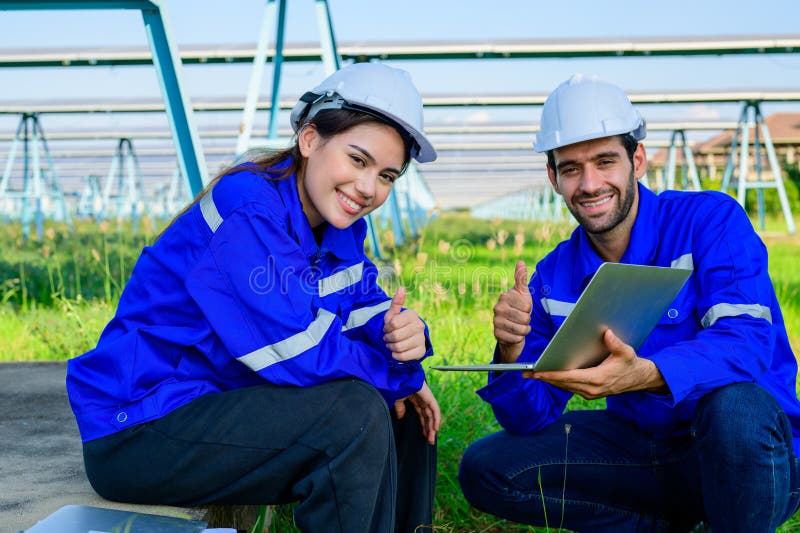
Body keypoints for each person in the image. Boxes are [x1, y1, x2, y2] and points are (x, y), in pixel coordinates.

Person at [67, 62, 441, 533]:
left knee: (403, 413)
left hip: (215, 400)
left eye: (387, 176)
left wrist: (405, 339)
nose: (369, 188)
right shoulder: (247, 207)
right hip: (141, 427)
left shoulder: (339, 229)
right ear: (310, 140)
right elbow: (299, 349)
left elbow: (366, 309)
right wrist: (398, 375)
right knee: (355, 413)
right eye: (358, 160)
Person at [458, 74, 800, 532]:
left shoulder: (709, 222)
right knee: (489, 468)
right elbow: (529, 417)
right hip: (648, 446)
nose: (590, 183)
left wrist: (649, 374)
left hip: (749, 457)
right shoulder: (553, 277)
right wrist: (510, 348)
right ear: (553, 178)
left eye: (605, 162)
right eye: (571, 168)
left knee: (735, 408)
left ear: (637, 160)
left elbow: (747, 343)